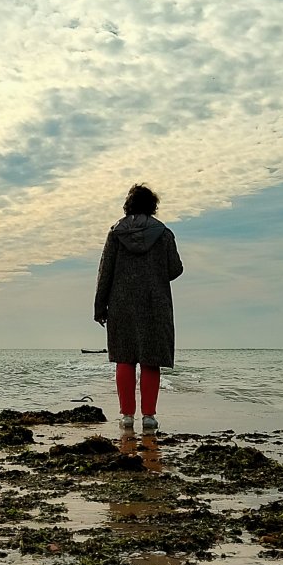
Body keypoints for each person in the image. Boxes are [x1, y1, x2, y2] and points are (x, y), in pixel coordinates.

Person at [93, 183, 183, 433]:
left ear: (128, 205)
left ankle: (126, 417)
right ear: (153, 206)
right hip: (155, 303)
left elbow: (105, 272)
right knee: (151, 360)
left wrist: (100, 306)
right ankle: (149, 417)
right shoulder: (164, 234)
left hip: (121, 303)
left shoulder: (115, 233)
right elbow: (175, 269)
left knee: (124, 358)